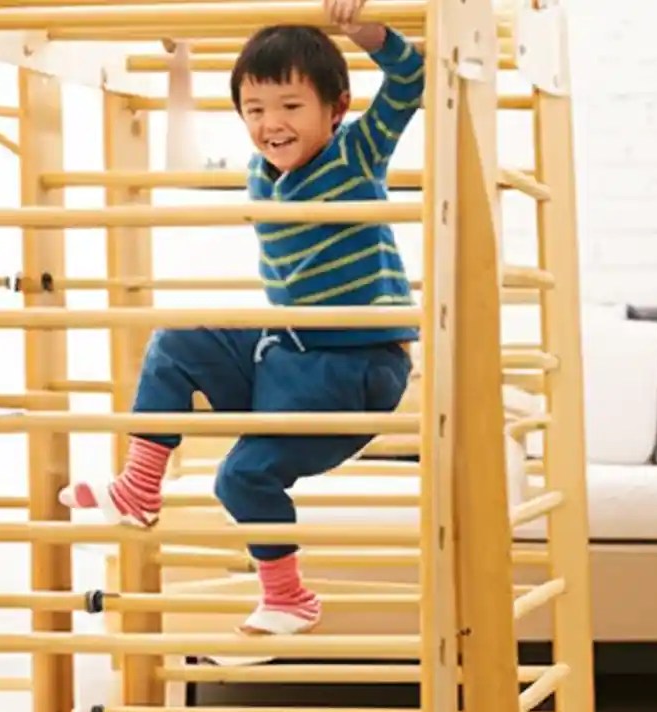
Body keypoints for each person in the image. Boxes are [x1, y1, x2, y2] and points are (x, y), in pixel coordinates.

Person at [58, 0, 423, 636]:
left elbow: (410, 81)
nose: (270, 124)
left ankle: (289, 597)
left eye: (290, 106)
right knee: (176, 340)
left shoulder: (355, 154)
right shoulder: (260, 173)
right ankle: (141, 488)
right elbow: (183, 165)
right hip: (290, 353)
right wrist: (180, 65)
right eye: (255, 110)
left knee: (241, 478)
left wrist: (361, 30)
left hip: (357, 366)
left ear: (334, 109)